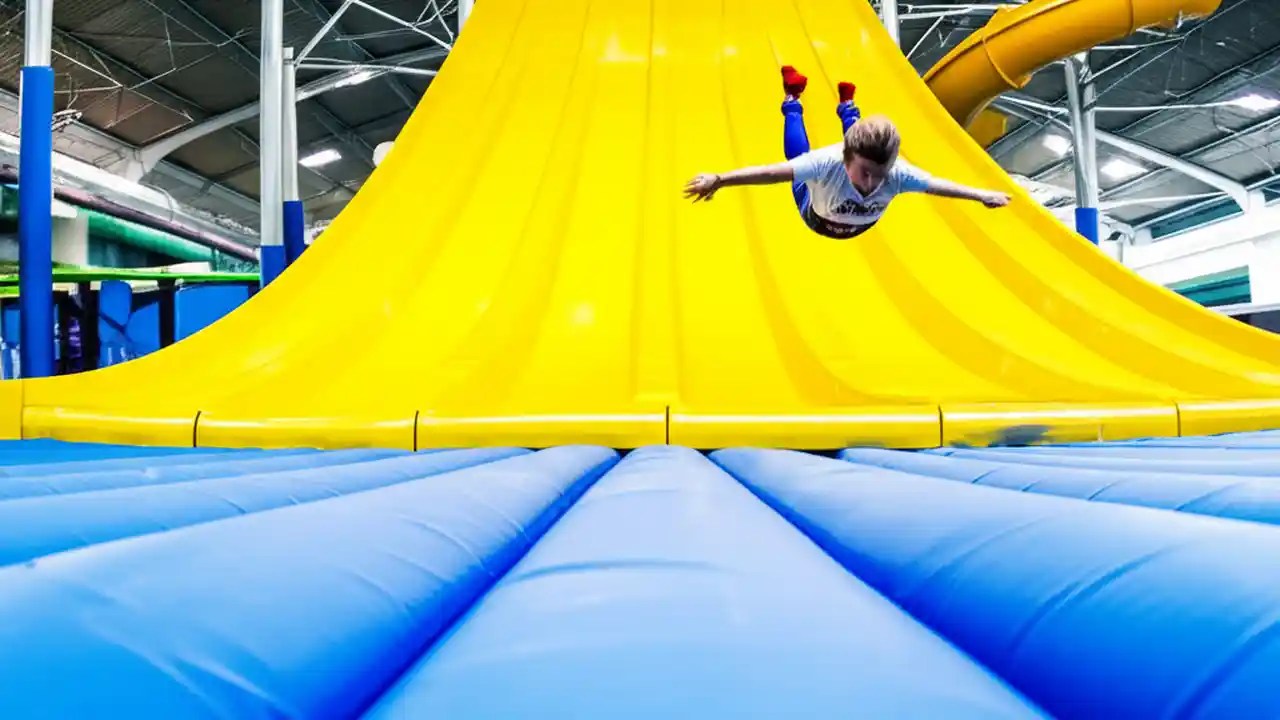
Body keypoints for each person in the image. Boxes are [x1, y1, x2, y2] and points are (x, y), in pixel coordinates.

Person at [683, 66, 1011, 239]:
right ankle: (792, 102)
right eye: (865, 172)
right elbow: (770, 173)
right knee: (796, 169)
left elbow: (940, 186)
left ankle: (848, 107)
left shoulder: (897, 173)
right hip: (816, 216)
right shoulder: (827, 161)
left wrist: (982, 195)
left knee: (865, 149)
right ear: (844, 157)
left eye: (879, 174)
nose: (871, 183)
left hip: (851, 222)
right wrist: (719, 179)